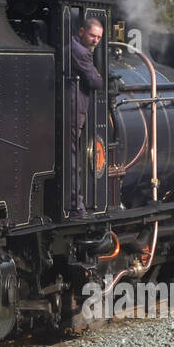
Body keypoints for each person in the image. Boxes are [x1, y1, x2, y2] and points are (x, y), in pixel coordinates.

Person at [69, 15, 105, 217]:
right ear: (81, 31)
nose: (95, 41)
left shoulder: (75, 48)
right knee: (73, 158)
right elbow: (95, 82)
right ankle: (76, 204)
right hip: (73, 112)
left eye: (99, 38)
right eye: (93, 36)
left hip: (74, 111)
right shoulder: (81, 52)